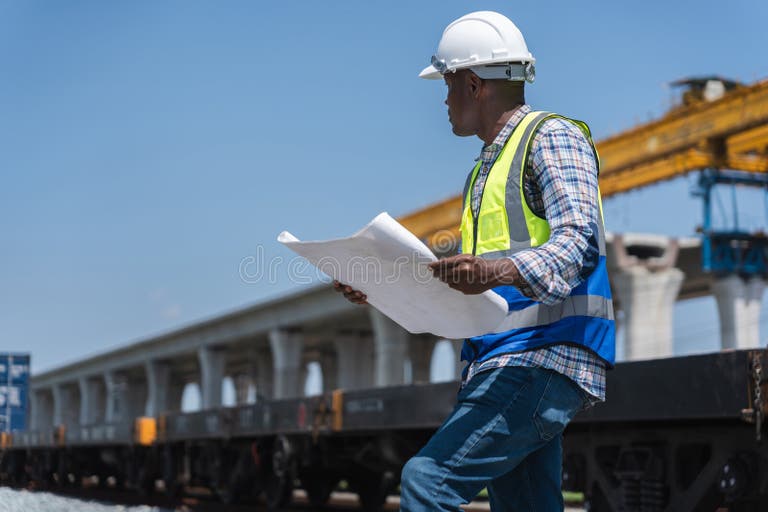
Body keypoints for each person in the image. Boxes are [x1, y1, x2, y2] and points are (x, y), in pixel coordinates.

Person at [334, 10, 615, 511]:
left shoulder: (551, 137)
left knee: (426, 480)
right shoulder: (482, 176)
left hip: (539, 355)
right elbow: (467, 284)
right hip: (507, 358)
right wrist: (376, 283)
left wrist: (498, 270)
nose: (443, 101)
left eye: (446, 85)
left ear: (472, 84)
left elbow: (580, 240)